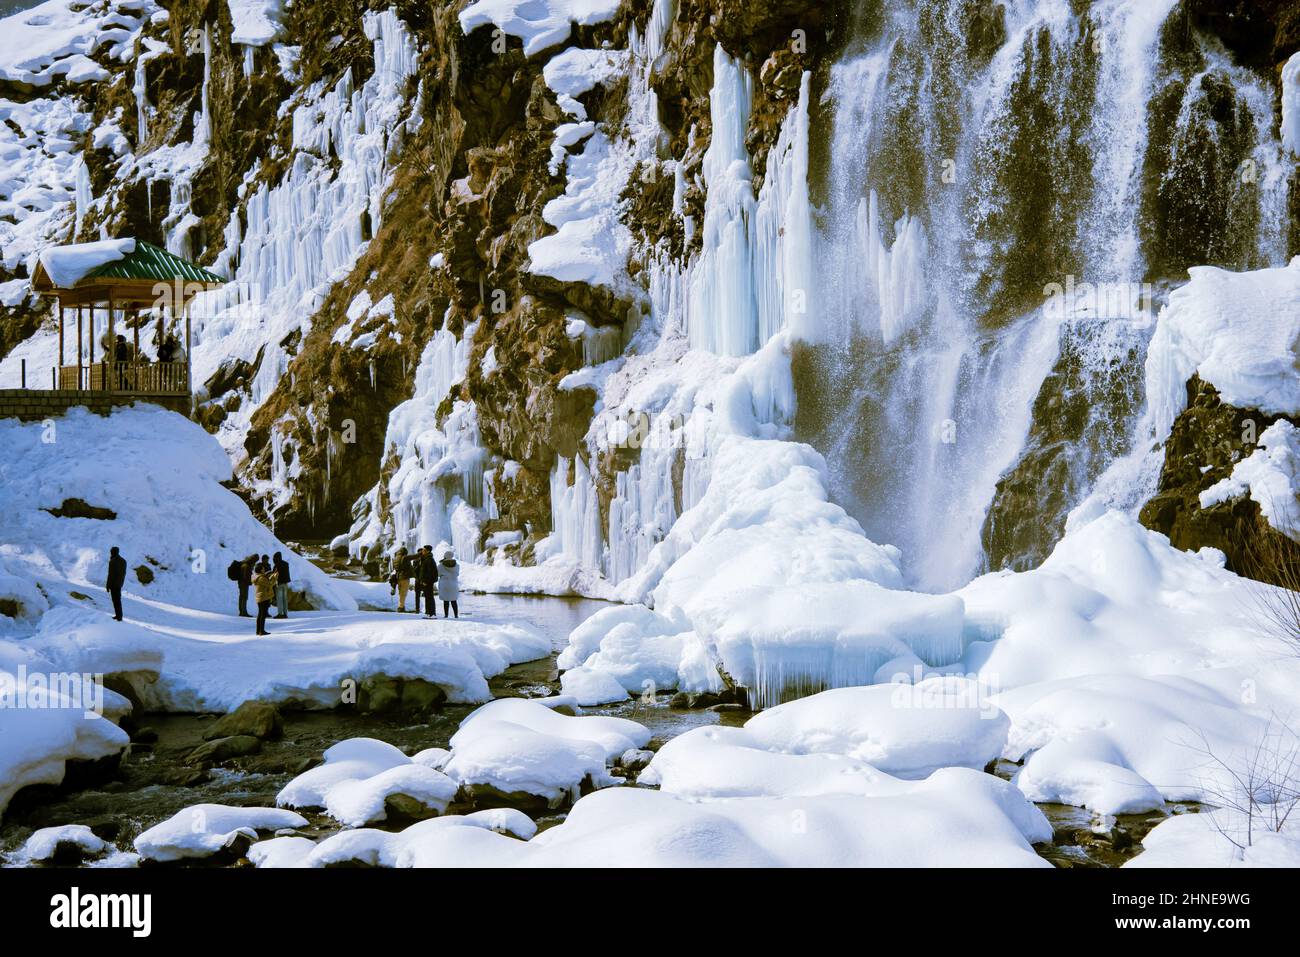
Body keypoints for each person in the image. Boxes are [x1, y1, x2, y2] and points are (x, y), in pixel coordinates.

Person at [252, 559, 276, 636]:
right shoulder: (261, 578)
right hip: (264, 597)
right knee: (262, 615)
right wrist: (275, 577)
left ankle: (258, 630)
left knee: (260, 614)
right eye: (262, 568)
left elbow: (267, 582)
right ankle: (261, 631)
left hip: (260, 597)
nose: (264, 569)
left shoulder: (257, 577)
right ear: (260, 570)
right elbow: (269, 584)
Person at [436, 549, 460, 620]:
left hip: (445, 584)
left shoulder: (440, 565)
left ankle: (446, 615)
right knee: (454, 600)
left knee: (446, 601)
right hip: (453, 584)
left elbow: (438, 574)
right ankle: (456, 615)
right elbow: (457, 574)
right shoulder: (457, 565)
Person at [416, 545, 438, 617]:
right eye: (422, 550)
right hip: (426, 581)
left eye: (424, 550)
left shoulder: (429, 559)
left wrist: (425, 581)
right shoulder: (426, 558)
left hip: (428, 582)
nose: (422, 551)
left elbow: (429, 572)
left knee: (429, 597)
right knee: (428, 597)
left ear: (428, 551)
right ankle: (429, 612)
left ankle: (431, 613)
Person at [106, 546, 127, 621]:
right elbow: (124, 573)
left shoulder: (112, 561)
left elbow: (110, 575)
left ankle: (119, 617)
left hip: (113, 585)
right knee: (118, 600)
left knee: (115, 601)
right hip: (119, 584)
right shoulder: (123, 561)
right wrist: (121, 583)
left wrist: (107, 585)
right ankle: (119, 615)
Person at [391, 547, 412, 612]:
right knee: (403, 593)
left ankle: (401, 606)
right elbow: (409, 566)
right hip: (404, 577)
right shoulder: (404, 558)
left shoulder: (396, 558)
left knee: (401, 593)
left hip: (398, 577)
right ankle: (401, 607)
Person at [273, 551, 291, 619]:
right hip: (285, 583)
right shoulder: (286, 564)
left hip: (279, 584)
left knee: (279, 599)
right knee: (285, 599)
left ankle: (280, 613)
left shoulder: (277, 565)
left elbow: (274, 575)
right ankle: (285, 613)